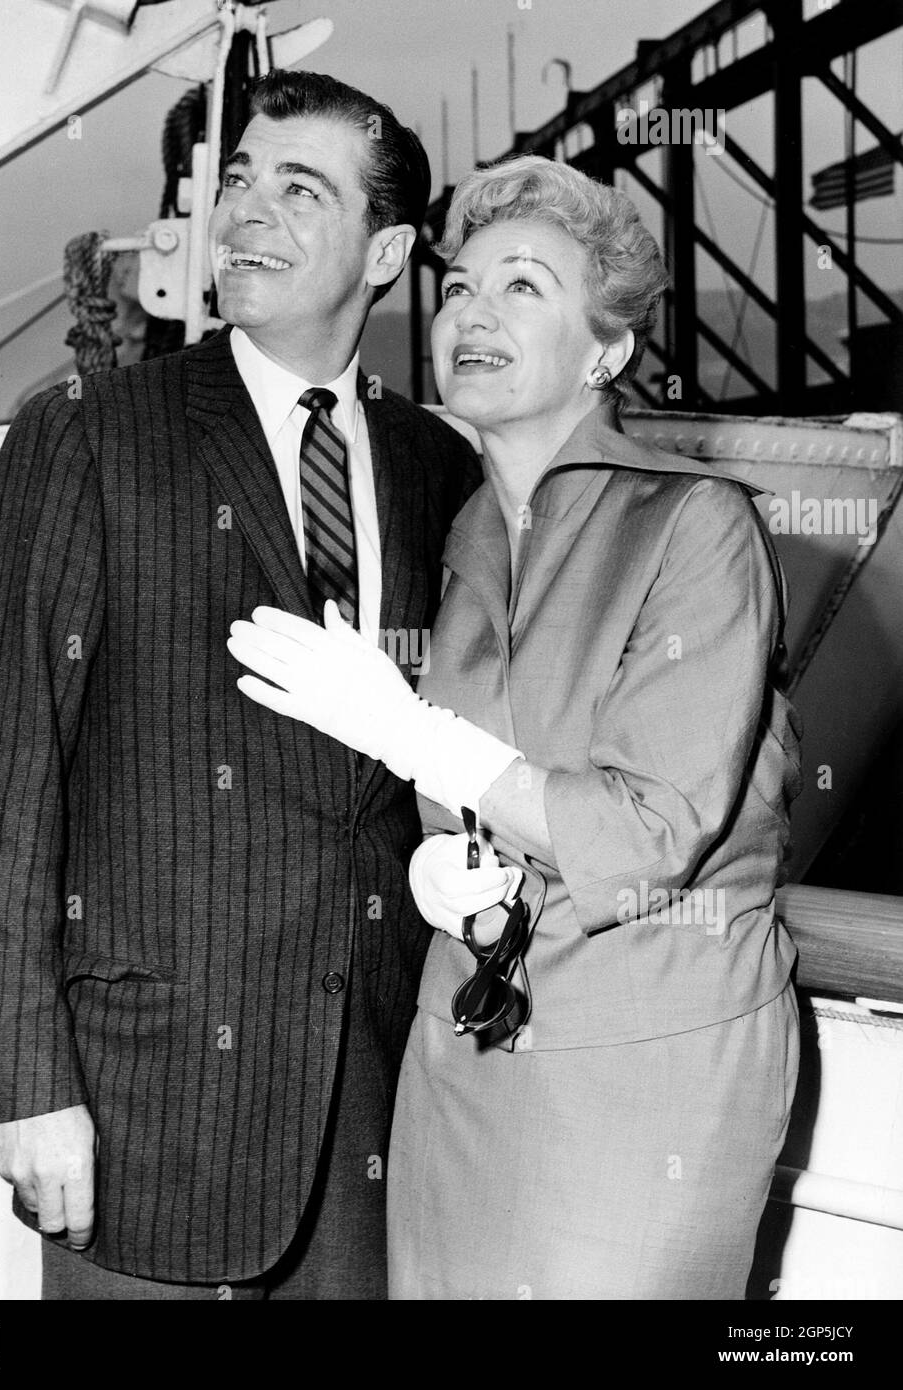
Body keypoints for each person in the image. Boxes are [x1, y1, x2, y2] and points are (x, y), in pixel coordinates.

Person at [0, 70, 479, 1301]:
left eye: (300, 189)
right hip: (145, 1116)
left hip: (378, 1127)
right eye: (239, 179)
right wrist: (22, 1088)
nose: (244, 213)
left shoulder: (436, 466)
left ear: (387, 250)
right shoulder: (87, 432)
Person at [228, 153, 803, 1300]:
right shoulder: (468, 536)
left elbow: (644, 831)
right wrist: (442, 866)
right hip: (464, 1055)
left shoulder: (696, 526)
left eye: (523, 286)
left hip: (645, 1072)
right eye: (457, 289)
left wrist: (412, 738)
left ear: (607, 350)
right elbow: (488, 794)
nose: (471, 314)